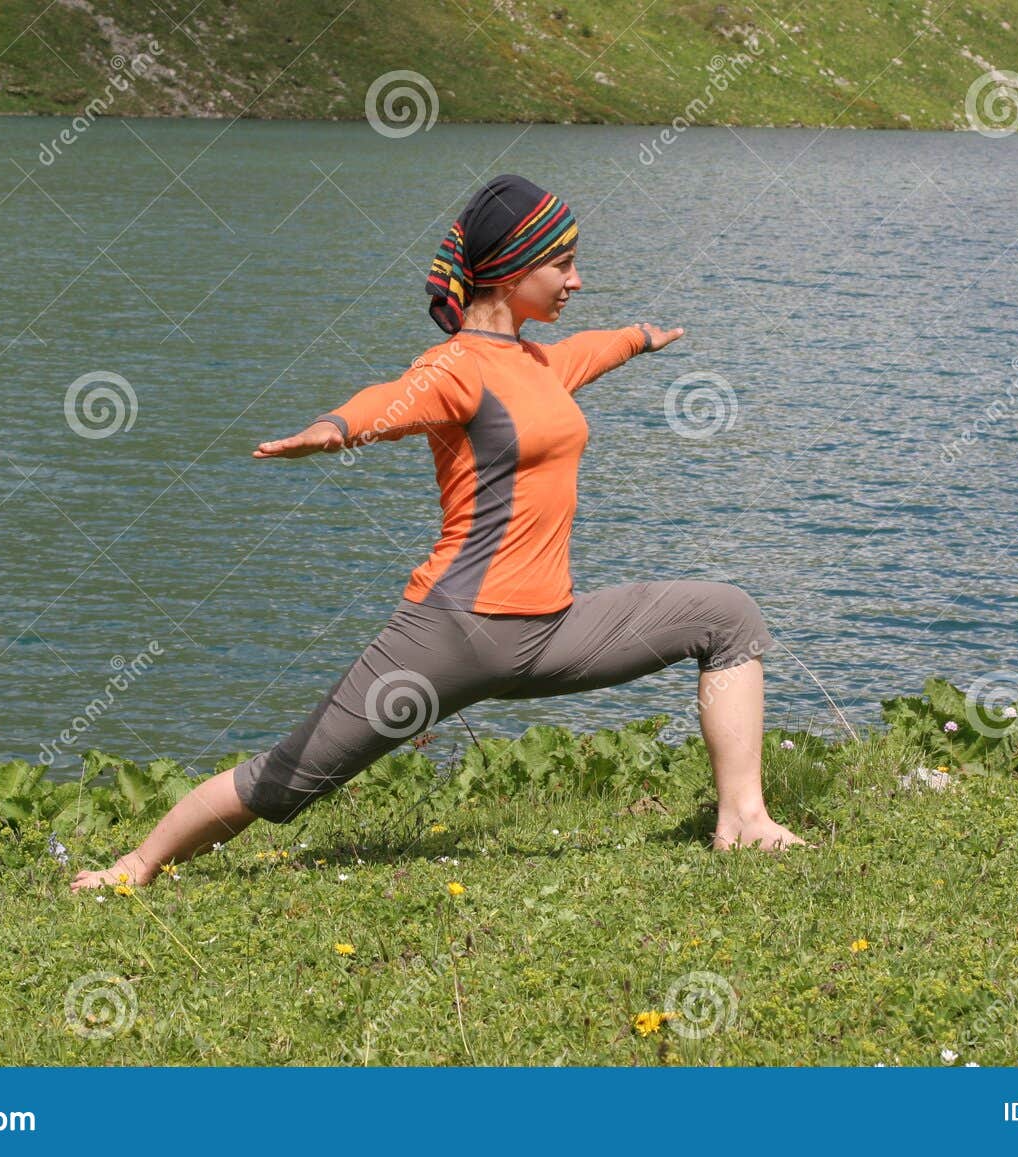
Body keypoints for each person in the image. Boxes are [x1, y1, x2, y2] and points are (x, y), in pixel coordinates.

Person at [72, 174, 804, 892]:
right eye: (563, 264)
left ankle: (743, 818)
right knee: (285, 782)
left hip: (552, 633)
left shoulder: (539, 363)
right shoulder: (457, 368)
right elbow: (391, 400)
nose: (577, 280)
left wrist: (643, 337)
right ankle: (133, 866)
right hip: (451, 636)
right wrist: (332, 430)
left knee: (727, 617)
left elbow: (594, 349)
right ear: (513, 270)